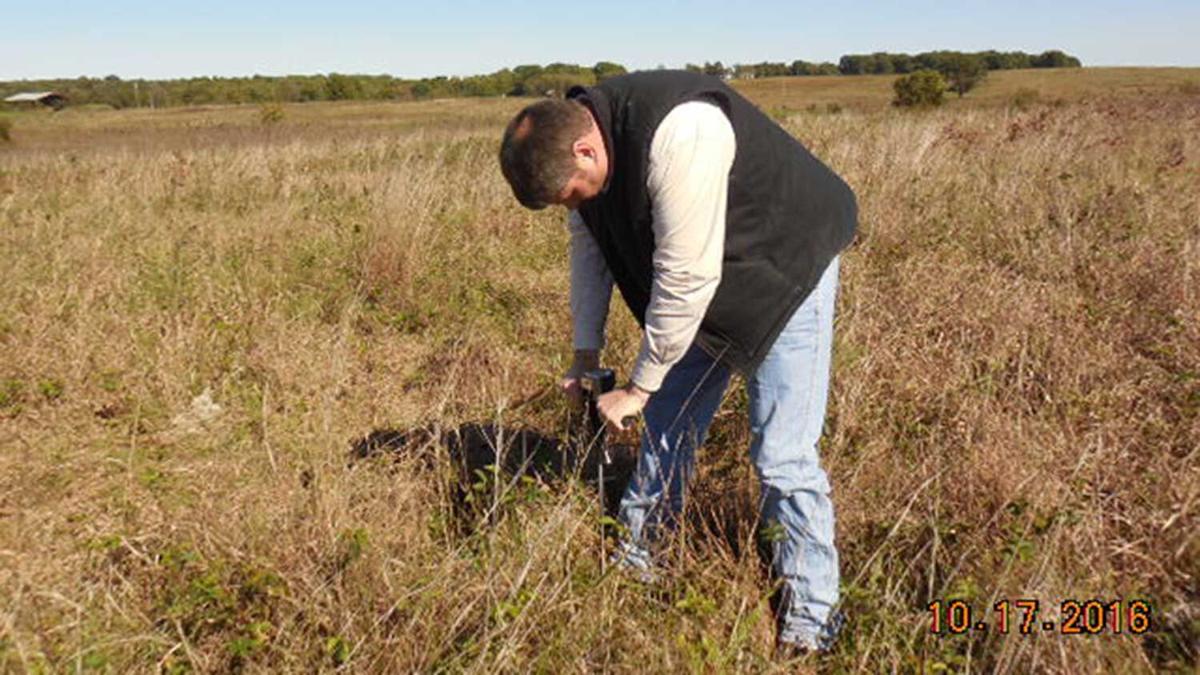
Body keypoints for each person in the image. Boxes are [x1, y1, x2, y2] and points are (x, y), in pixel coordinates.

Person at [497, 70, 857, 653]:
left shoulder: (682, 131)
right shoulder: (582, 154)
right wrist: (586, 354)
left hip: (785, 265)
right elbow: (591, 253)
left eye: (573, 194)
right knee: (669, 424)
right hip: (703, 279)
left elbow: (686, 278)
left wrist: (639, 387)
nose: (576, 205)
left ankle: (813, 622)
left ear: (586, 149)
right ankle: (642, 560)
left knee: (781, 455)